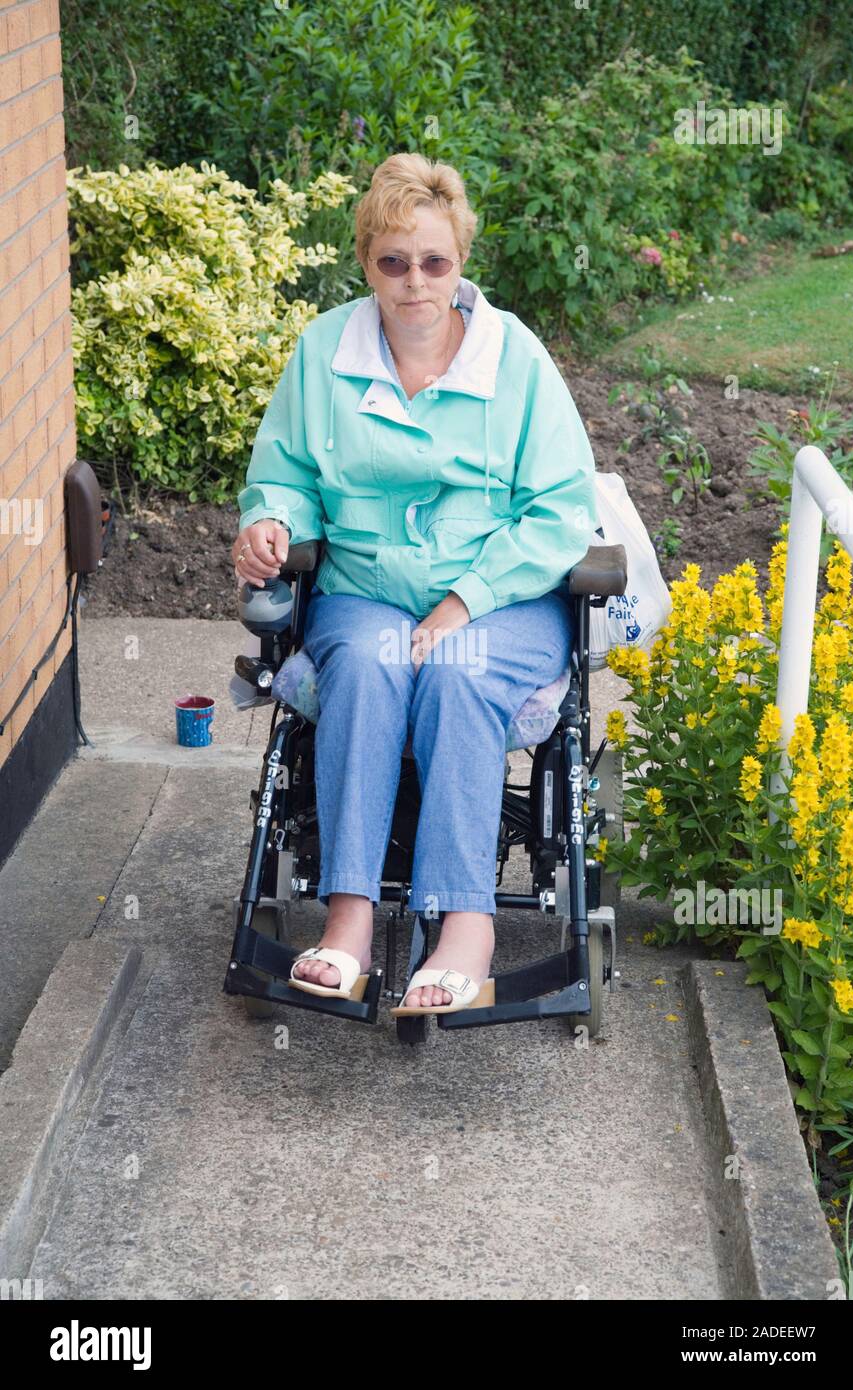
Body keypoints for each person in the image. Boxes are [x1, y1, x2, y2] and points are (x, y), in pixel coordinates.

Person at [231, 152, 598, 1015]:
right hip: (366, 591)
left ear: (460, 262)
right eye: (393, 262)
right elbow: (281, 474)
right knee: (364, 666)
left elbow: (560, 508)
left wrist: (464, 598)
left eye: (434, 262)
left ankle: (466, 926)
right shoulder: (325, 351)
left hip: (500, 602)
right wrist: (271, 523)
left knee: (458, 671)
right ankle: (350, 920)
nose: (415, 283)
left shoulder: (516, 360)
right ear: (366, 263)